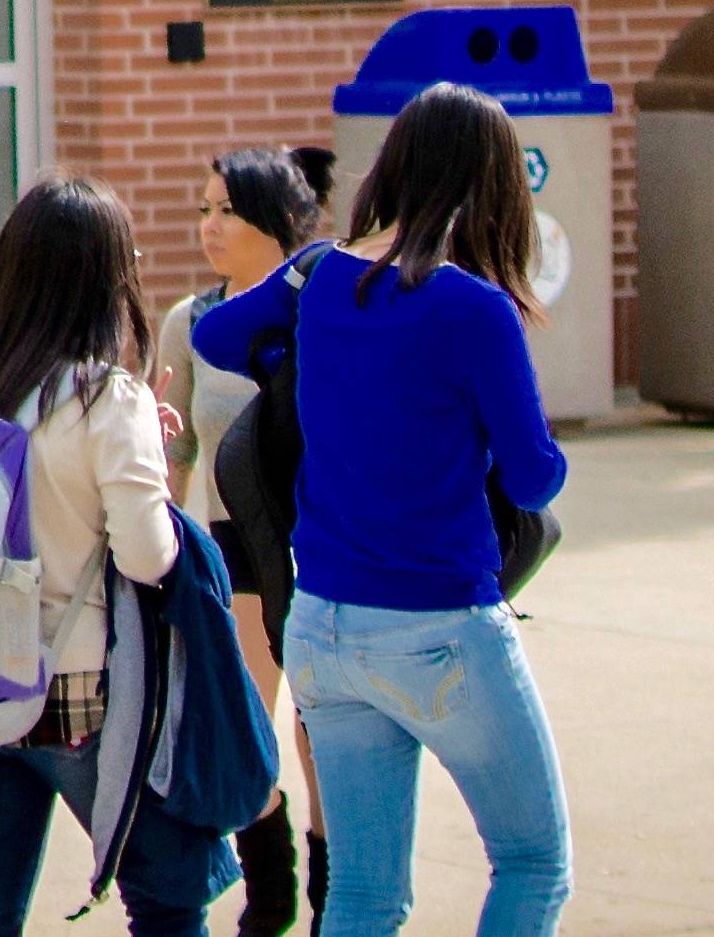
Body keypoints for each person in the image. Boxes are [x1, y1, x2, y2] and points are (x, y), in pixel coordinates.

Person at [191, 91, 572, 937]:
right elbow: (536, 478)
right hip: (439, 625)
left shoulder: (323, 276)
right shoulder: (473, 307)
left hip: (324, 627)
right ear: (494, 188)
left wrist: (299, 281)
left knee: (364, 898)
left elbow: (217, 339)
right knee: (534, 863)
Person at [0, 176, 220, 937]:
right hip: (74, 692)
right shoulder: (105, 399)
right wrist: (148, 455)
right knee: (167, 902)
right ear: (105, 280)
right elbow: (151, 558)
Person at [165, 148, 334, 937]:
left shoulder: (325, 310)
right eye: (203, 210)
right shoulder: (191, 322)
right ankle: (269, 901)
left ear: (278, 221)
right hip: (231, 551)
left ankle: (338, 901)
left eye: (225, 211)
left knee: (324, 730)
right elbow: (173, 457)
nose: (208, 226)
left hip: (326, 546)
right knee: (249, 729)